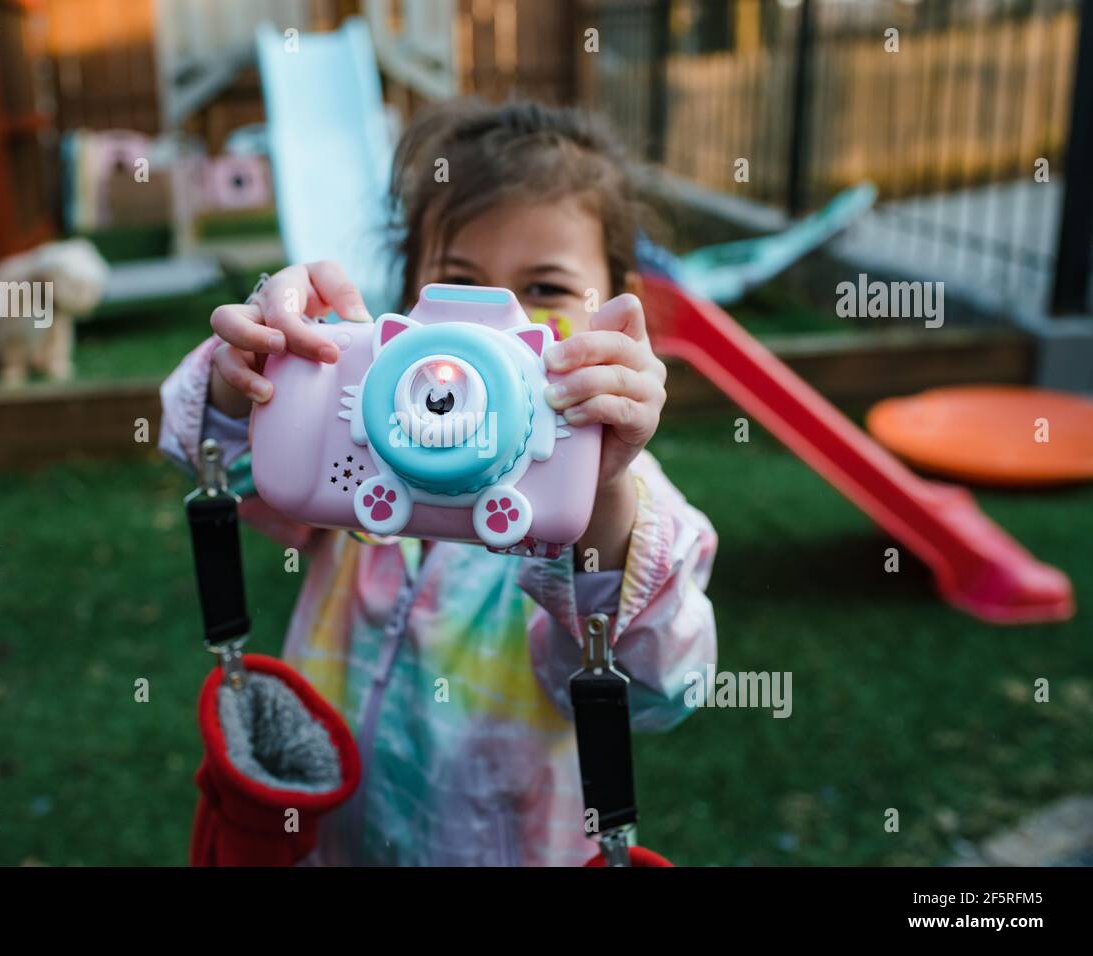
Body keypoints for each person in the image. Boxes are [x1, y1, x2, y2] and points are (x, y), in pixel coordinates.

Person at [160, 99, 718, 866]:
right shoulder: (358, 422)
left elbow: (659, 692)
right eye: (459, 280)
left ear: (616, 310)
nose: (498, 325)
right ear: (410, 296)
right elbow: (220, 468)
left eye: (546, 289)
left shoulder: (622, 493)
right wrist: (249, 383)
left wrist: (605, 508)